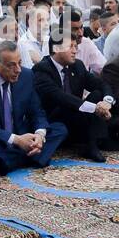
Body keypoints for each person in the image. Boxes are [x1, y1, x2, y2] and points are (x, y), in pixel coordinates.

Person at [0, 40, 68, 174]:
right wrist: (15, 139)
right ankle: (33, 157)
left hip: (20, 132)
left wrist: (39, 135)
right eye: (11, 65)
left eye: (20, 63)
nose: (17, 69)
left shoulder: (26, 75)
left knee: (59, 129)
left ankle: (14, 159)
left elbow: (36, 111)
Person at [33, 29, 112, 162]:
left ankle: (94, 142)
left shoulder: (77, 66)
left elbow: (101, 84)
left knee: (98, 94)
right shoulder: (42, 69)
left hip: (76, 114)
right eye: (71, 47)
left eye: (76, 46)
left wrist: (107, 101)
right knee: (75, 106)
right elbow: (61, 98)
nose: (75, 51)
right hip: (54, 119)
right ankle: (93, 144)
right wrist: (95, 108)